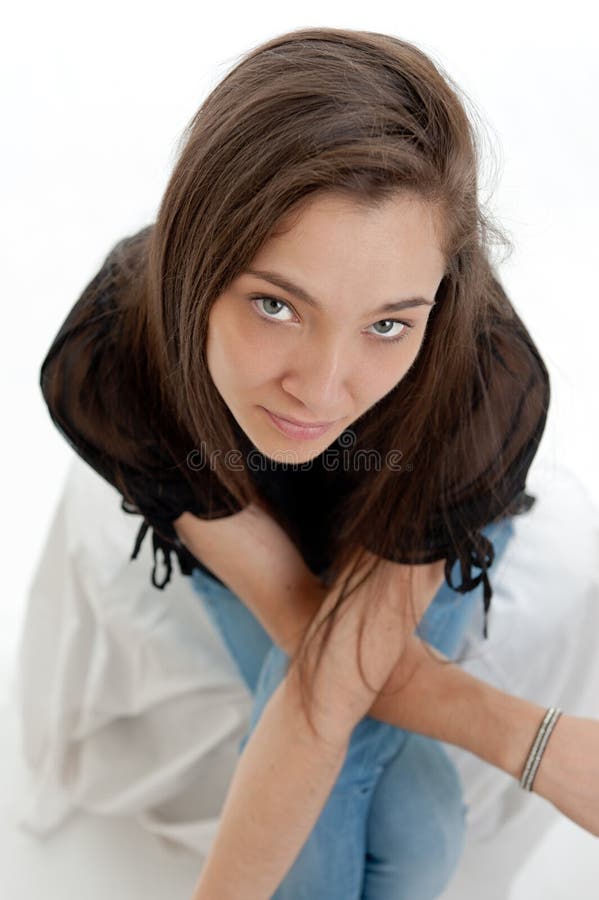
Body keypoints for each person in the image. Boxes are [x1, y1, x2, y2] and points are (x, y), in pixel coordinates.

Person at [38, 26, 599, 900]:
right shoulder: (120, 349)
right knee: (418, 833)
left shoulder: (476, 380)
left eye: (388, 324)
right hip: (251, 521)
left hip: (406, 522)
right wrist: (525, 737)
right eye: (275, 305)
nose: (322, 390)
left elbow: (335, 681)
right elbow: (317, 668)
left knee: (418, 847)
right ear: (194, 260)